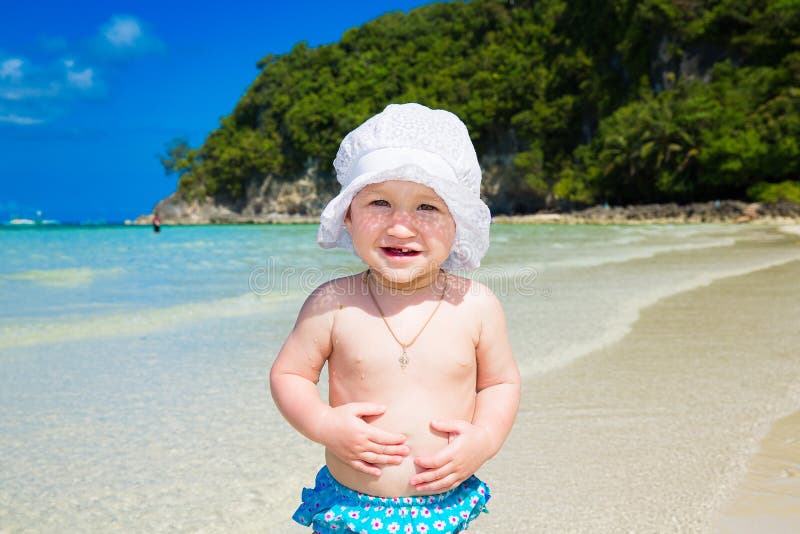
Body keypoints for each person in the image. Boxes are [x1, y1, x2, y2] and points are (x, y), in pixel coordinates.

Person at [270, 103, 521, 534]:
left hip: (444, 506)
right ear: (348, 216)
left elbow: (499, 382)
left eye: (427, 208)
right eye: (380, 202)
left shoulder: (476, 305)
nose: (401, 227)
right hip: (352, 507)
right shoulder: (332, 303)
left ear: (457, 224)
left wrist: (485, 439)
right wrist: (325, 424)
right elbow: (289, 375)